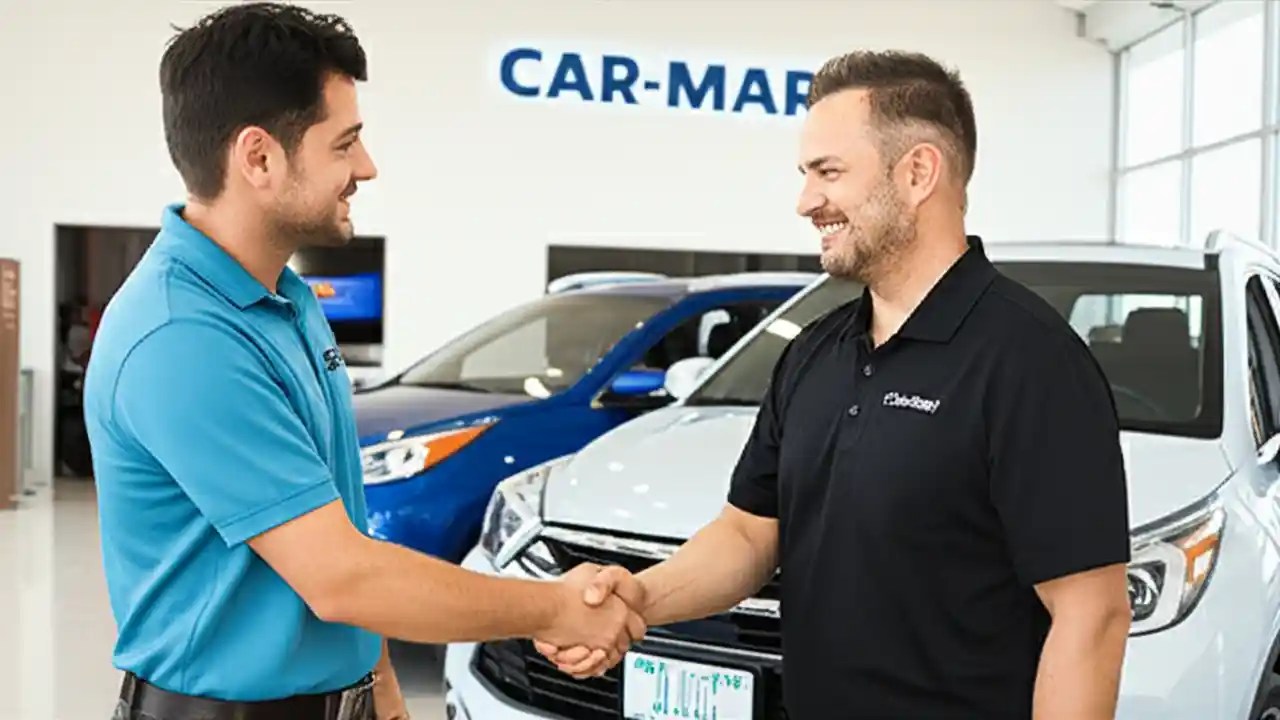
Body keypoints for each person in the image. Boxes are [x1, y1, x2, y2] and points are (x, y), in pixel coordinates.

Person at [82, 4, 644, 719]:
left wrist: (379, 688)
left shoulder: (285, 300)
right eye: (344, 143)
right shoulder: (182, 337)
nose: (366, 168)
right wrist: (556, 609)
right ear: (259, 158)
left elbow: (337, 529)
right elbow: (342, 576)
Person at [536, 49, 1133, 719]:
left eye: (829, 172)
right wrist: (640, 598)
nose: (805, 202)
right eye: (806, 175)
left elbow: (1091, 617)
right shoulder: (814, 352)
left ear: (918, 173)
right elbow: (747, 535)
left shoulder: (1030, 361)